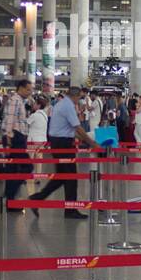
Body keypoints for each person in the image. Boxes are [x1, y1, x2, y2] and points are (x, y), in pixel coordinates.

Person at [28, 85, 98, 219]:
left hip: (58, 142)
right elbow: (77, 128)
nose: (80, 100)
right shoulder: (68, 106)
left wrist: (83, 140)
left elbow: (69, 129)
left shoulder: (61, 104)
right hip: (63, 144)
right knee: (71, 177)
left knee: (62, 176)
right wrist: (92, 143)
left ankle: (38, 198)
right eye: (80, 97)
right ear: (76, 96)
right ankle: (70, 209)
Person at [0, 79, 34, 209]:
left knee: (12, 170)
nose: (30, 92)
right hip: (14, 137)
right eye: (28, 89)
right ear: (21, 88)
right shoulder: (15, 100)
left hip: (17, 136)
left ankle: (9, 199)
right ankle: (9, 197)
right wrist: (8, 137)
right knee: (26, 168)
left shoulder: (20, 100)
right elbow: (10, 118)